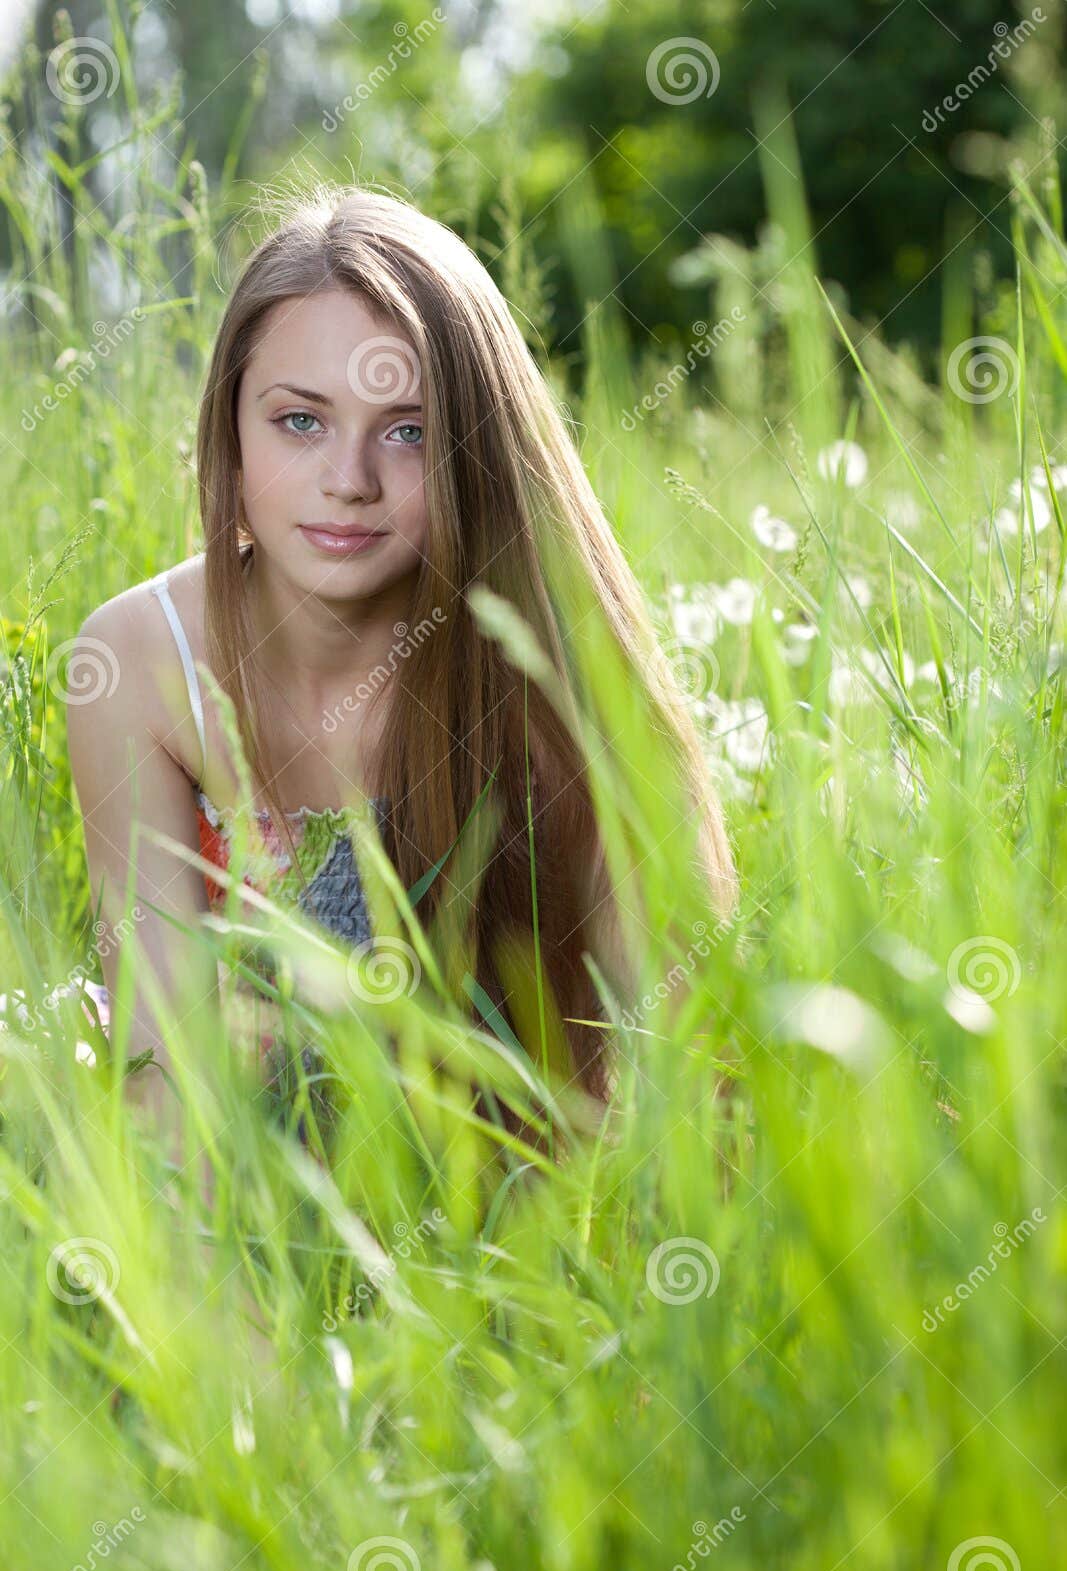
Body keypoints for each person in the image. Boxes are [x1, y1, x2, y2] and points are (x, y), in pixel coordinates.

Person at [66, 182, 738, 1170]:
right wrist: (240, 1318)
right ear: (232, 429)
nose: (349, 478)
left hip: (509, 1207)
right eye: (300, 421)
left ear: (478, 453)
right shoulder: (138, 657)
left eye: (407, 430)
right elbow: (162, 1082)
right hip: (258, 1193)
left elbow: (690, 1077)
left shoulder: (549, 673)